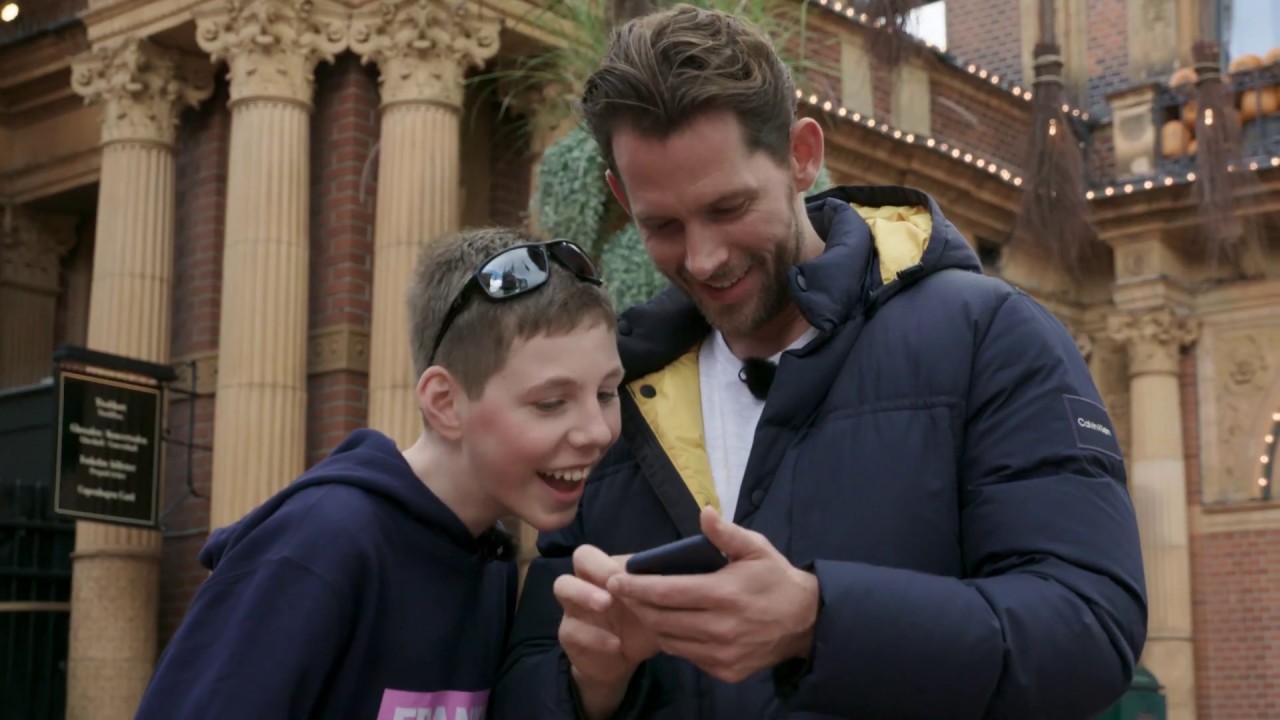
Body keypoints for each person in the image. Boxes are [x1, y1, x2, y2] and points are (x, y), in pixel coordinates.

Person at [492, 5, 1147, 719]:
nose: (705, 257)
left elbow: (1091, 632)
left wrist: (818, 618)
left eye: (729, 206)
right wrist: (592, 679)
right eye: (664, 226)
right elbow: (528, 676)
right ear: (621, 197)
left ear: (802, 154)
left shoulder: (991, 337)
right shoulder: (615, 400)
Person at [134, 227, 624, 719]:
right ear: (445, 403)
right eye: (551, 403)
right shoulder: (320, 544)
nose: (597, 431)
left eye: (606, 393)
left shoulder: (488, 558)